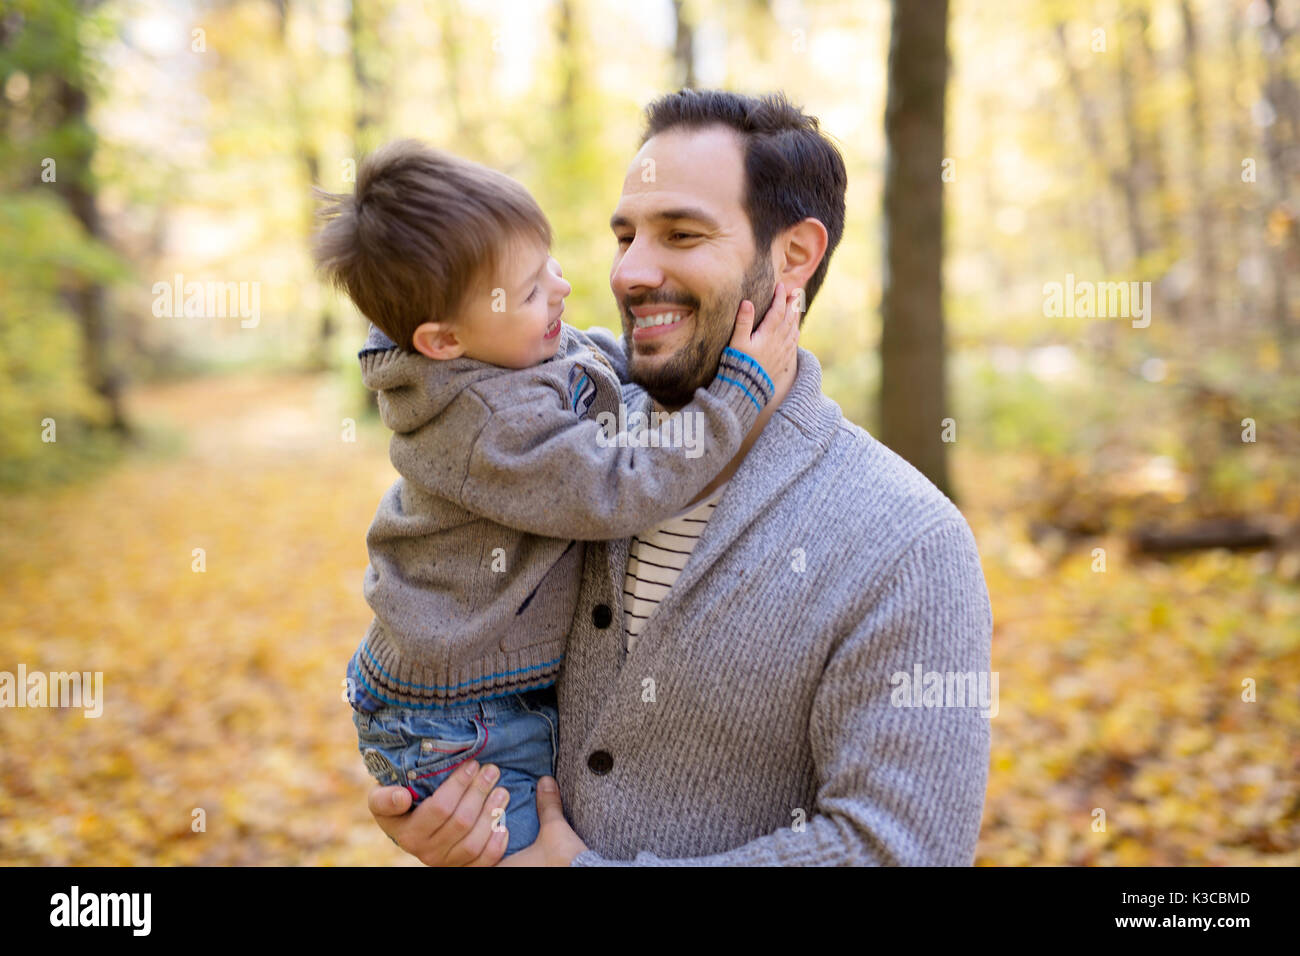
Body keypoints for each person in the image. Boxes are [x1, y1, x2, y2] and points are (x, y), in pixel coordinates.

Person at [368, 89, 993, 866]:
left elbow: (901, 851)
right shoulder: (563, 438)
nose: (630, 272)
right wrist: (451, 808)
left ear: (795, 255)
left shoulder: (908, 542)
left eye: (681, 234)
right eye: (624, 235)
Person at [312, 138, 800, 857]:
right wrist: (736, 393)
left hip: (478, 685)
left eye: (551, 267)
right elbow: (620, 487)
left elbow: (593, 359)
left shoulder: (507, 340)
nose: (564, 290)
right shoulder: (489, 426)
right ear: (443, 341)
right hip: (457, 711)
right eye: (534, 289)